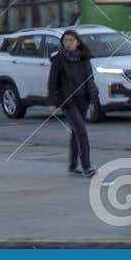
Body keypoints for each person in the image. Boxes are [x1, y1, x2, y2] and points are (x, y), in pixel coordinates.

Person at [48, 28, 96, 178]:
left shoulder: (84, 58)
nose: (68, 43)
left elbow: (90, 79)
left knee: (76, 132)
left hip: (83, 99)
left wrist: (94, 97)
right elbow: (52, 83)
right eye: (65, 40)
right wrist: (52, 103)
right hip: (67, 101)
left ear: (77, 42)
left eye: (71, 40)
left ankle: (72, 165)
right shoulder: (58, 59)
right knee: (81, 131)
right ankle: (86, 167)